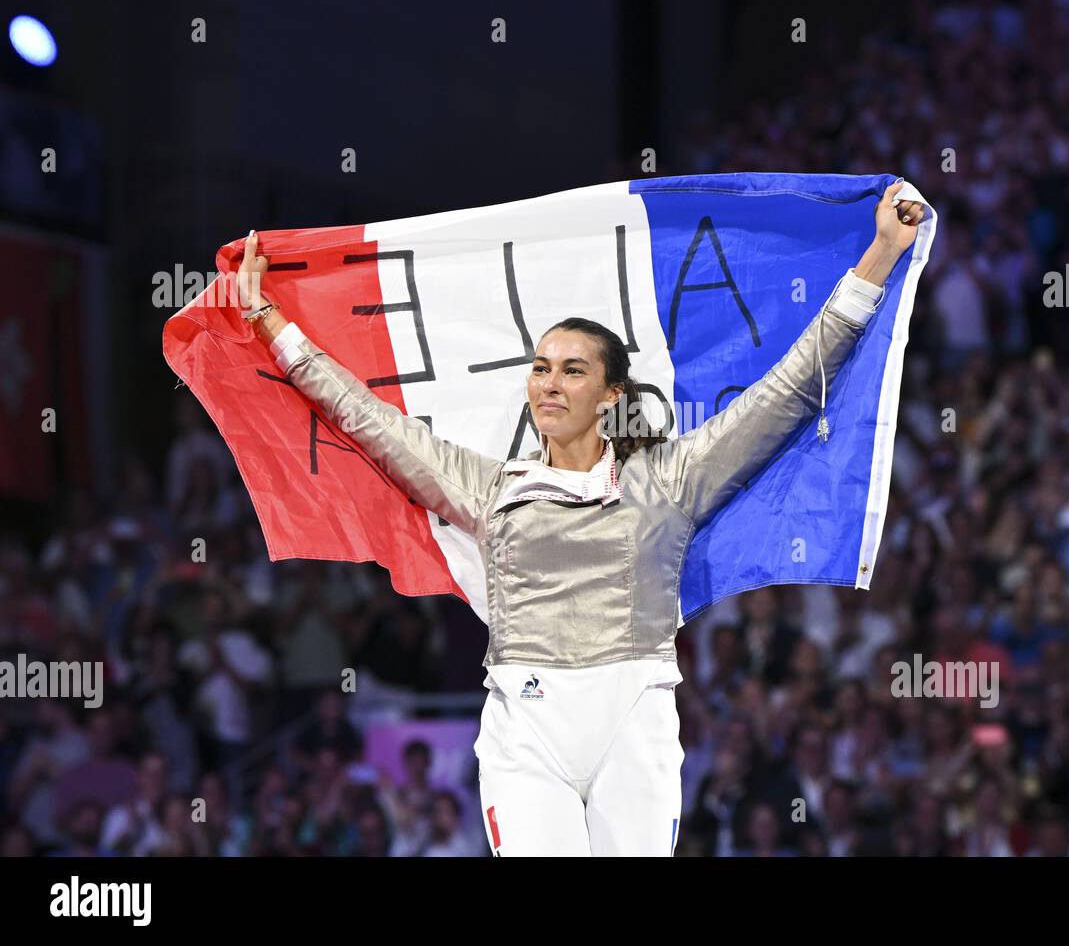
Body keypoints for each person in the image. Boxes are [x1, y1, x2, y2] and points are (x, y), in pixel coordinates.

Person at [235, 182, 925, 856]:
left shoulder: (669, 479)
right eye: (540, 368)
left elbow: (789, 389)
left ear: (611, 393)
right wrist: (271, 323)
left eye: (571, 370)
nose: (549, 384)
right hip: (525, 727)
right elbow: (368, 418)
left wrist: (882, 256)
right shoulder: (488, 487)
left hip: (635, 718)